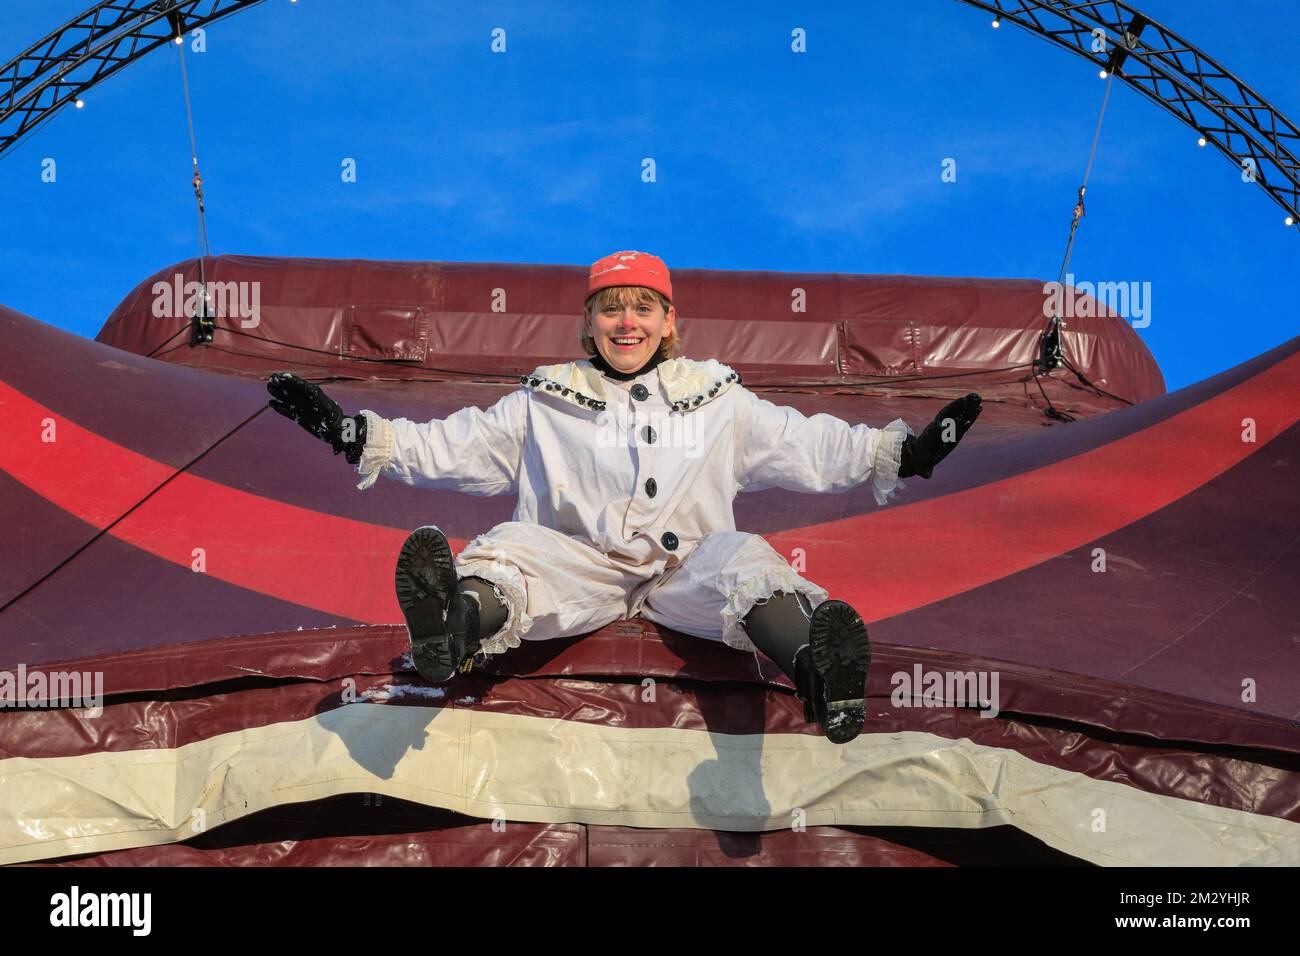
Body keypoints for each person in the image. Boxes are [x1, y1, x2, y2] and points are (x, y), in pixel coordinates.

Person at [266, 250, 982, 744]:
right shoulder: (546, 399)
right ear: (588, 324)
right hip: (577, 569)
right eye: (610, 310)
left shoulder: (715, 398)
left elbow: (808, 443)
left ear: (669, 321)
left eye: (643, 307)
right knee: (513, 548)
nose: (627, 323)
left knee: (744, 556)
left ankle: (822, 674)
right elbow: (451, 445)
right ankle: (451, 629)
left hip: (685, 576)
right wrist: (352, 432)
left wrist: (902, 452)